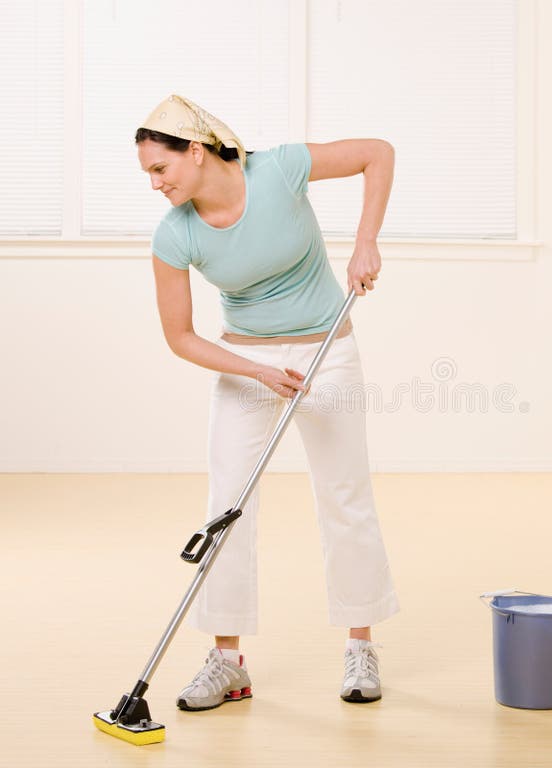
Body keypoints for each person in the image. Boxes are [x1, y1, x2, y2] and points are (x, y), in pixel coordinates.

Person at [135, 94, 400, 710]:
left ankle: (360, 645)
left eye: (160, 168)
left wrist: (366, 241)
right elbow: (180, 337)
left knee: (344, 495)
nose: (155, 184)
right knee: (227, 505)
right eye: (148, 173)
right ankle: (227, 661)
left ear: (195, 151)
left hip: (327, 350)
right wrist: (257, 371)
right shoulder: (175, 234)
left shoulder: (279, 169)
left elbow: (377, 153)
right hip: (246, 364)